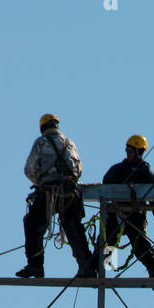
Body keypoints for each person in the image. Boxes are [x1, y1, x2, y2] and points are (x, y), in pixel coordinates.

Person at [18, 113, 95, 279]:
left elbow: (29, 169)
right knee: (73, 226)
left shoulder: (41, 142)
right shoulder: (70, 143)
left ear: (43, 128)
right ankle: (87, 267)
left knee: (33, 224)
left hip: (48, 191)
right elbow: (78, 170)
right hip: (70, 190)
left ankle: (35, 266)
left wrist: (41, 181)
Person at [91, 134, 154, 281]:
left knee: (140, 244)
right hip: (115, 213)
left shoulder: (146, 174)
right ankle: (96, 270)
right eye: (127, 150)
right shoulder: (117, 170)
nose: (128, 154)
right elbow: (105, 185)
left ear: (139, 152)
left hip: (134, 214)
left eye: (131, 151)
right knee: (107, 242)